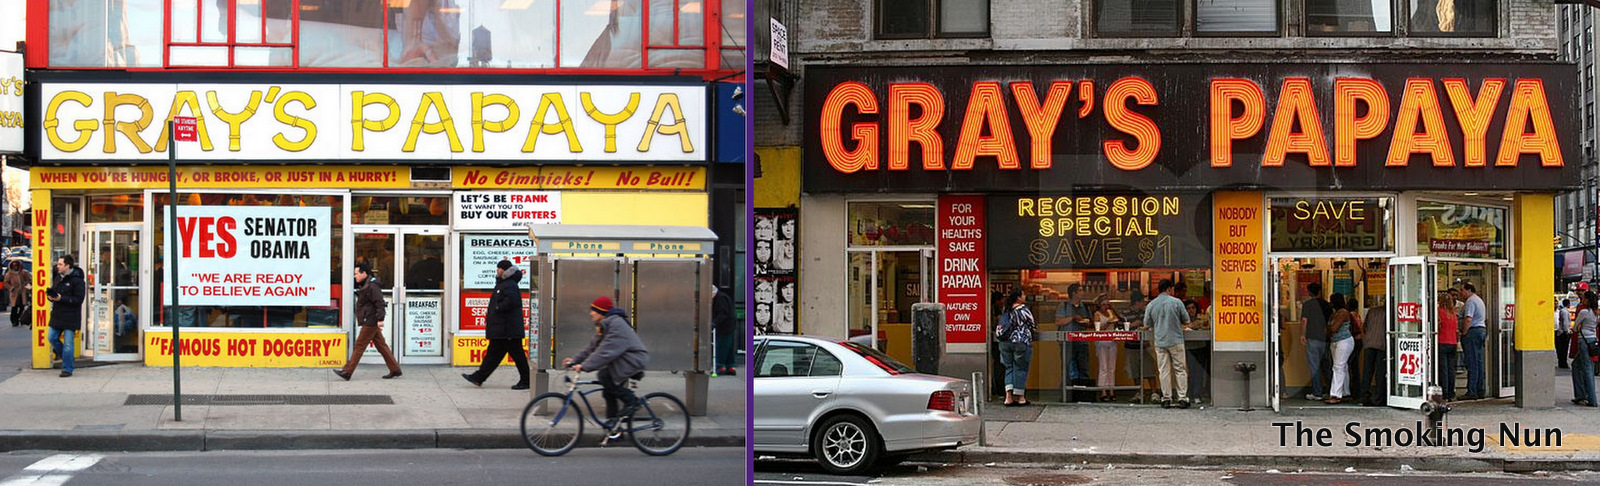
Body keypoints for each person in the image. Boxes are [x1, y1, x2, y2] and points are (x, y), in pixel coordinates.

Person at [564, 296, 651, 425]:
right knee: (608, 390)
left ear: (601, 311)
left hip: (633, 360)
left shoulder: (616, 325)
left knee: (605, 376)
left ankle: (633, 402)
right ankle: (613, 428)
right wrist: (575, 361)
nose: (591, 313)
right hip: (623, 360)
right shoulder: (606, 324)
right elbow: (592, 347)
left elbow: (605, 351)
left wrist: (585, 366)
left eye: (593, 310)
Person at [461, 260, 531, 389]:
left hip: (508, 329)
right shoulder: (504, 284)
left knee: (517, 355)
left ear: (505, 270)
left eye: (499, 268)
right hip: (503, 329)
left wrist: (498, 308)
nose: (497, 270)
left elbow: (512, 301)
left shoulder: (509, 284)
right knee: (493, 355)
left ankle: (526, 380)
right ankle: (478, 377)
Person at [334, 262, 403, 381]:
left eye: (356, 274)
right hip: (370, 319)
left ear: (364, 273)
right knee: (382, 346)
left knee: (359, 346)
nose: (355, 276)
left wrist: (381, 318)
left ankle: (347, 371)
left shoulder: (372, 286)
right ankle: (395, 369)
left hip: (371, 320)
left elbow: (379, 302)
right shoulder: (366, 285)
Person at [1144, 279, 1190, 409]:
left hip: (1160, 341)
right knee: (1180, 369)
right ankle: (1182, 398)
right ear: (1170, 289)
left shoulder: (1151, 305)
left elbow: (1147, 324)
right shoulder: (1177, 302)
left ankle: (1166, 398)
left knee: (1163, 370)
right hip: (1176, 340)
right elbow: (1186, 320)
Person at [46, 255, 86, 378]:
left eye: (60, 264)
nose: (57, 266)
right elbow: (55, 291)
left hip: (70, 316)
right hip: (57, 315)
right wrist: (51, 297)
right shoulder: (58, 278)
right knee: (52, 337)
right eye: (58, 264)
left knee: (69, 344)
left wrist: (61, 298)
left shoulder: (78, 280)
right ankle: (67, 359)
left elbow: (78, 299)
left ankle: (67, 369)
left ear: (67, 266)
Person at [997, 289, 1036, 407]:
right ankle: (1020, 397)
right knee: (1021, 368)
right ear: (1018, 298)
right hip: (1020, 342)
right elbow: (1032, 325)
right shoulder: (1023, 310)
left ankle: (1008, 397)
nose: (1024, 296)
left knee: (1009, 367)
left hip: (1004, 343)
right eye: (1023, 294)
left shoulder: (1006, 310)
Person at [1299, 283, 1332, 401]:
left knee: (1314, 367)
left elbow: (1304, 320)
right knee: (1327, 366)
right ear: (1320, 291)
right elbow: (1330, 322)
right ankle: (1332, 391)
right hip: (1325, 339)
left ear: (1309, 292)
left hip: (1312, 338)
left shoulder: (1307, 305)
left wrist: (1302, 334)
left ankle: (1317, 392)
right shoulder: (1327, 305)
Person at [1457, 282, 1487, 400]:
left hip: (1473, 332)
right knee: (1478, 362)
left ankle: (1472, 391)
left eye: (1462, 290)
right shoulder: (1478, 300)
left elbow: (1468, 319)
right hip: (1480, 331)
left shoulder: (1470, 301)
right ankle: (1480, 389)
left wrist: (1463, 332)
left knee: (1472, 363)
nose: (1460, 293)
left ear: (1469, 290)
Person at [1324, 293, 1355, 404]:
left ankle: (1336, 394)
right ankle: (1345, 392)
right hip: (1337, 341)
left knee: (1338, 367)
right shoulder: (1336, 313)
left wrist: (1328, 328)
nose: (1330, 303)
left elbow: (1333, 328)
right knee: (1343, 367)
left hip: (1344, 341)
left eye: (1331, 301)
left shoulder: (1343, 313)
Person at [1058, 284, 1092, 382]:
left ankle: (1082, 393)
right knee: (1067, 368)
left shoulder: (1085, 306)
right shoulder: (1064, 306)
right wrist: (1073, 317)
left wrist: (1086, 322)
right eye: (1080, 290)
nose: (1083, 293)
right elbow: (1058, 321)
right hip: (1067, 342)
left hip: (1082, 341)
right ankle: (1067, 392)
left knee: (1083, 367)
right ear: (1074, 293)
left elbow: (1089, 323)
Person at [1092, 294, 1121, 402]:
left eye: (1107, 304)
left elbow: (1117, 319)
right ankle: (1103, 391)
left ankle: (1111, 390)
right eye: (1103, 304)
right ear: (1099, 305)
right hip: (1102, 341)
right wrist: (1108, 322)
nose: (1105, 306)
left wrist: (1113, 312)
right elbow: (1098, 329)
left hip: (1112, 340)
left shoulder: (1110, 312)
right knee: (1103, 367)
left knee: (1111, 367)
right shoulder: (1097, 314)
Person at [1359, 302, 1388, 406]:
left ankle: (1364, 396)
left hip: (1369, 343)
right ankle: (1380, 398)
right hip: (1382, 344)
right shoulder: (1389, 312)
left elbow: (1364, 326)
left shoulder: (1372, 311)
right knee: (1380, 372)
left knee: (1367, 371)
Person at [1573, 292, 1598, 407]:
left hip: (1583, 341)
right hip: (1592, 341)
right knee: (1577, 365)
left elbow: (1575, 327)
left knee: (1587, 368)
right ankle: (1580, 395)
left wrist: (1578, 327)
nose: (1582, 300)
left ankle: (1592, 399)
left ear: (1587, 300)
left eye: (1583, 298)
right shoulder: (1596, 313)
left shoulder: (1584, 312)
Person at [1437, 291, 1460, 401]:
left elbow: (1438, 327)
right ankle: (1451, 393)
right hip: (1453, 343)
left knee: (1443, 370)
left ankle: (1444, 393)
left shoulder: (1439, 312)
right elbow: (1456, 330)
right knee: (1451, 369)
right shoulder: (1453, 314)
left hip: (1442, 342)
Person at [712, 286, 738, 377]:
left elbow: (723, 313)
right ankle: (730, 367)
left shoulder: (721, 298)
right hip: (728, 326)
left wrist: (714, 323)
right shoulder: (722, 297)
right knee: (728, 347)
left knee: (722, 346)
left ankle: (720, 366)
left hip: (725, 326)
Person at [7, 261, 29, 327]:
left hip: (22, 292)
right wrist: (11, 288)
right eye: (14, 265)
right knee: (14, 307)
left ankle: (19, 317)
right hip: (14, 293)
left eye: (17, 265)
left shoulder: (23, 273)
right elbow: (6, 283)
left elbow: (28, 280)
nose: (16, 267)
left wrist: (26, 286)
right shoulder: (9, 274)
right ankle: (14, 320)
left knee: (22, 306)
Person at [1558, 299, 1573, 369]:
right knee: (1564, 349)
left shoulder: (1562, 310)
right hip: (1564, 333)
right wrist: (1567, 332)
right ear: (1568, 304)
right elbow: (1565, 323)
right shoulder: (1565, 311)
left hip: (1562, 331)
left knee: (1562, 348)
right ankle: (1563, 363)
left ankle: (1562, 362)